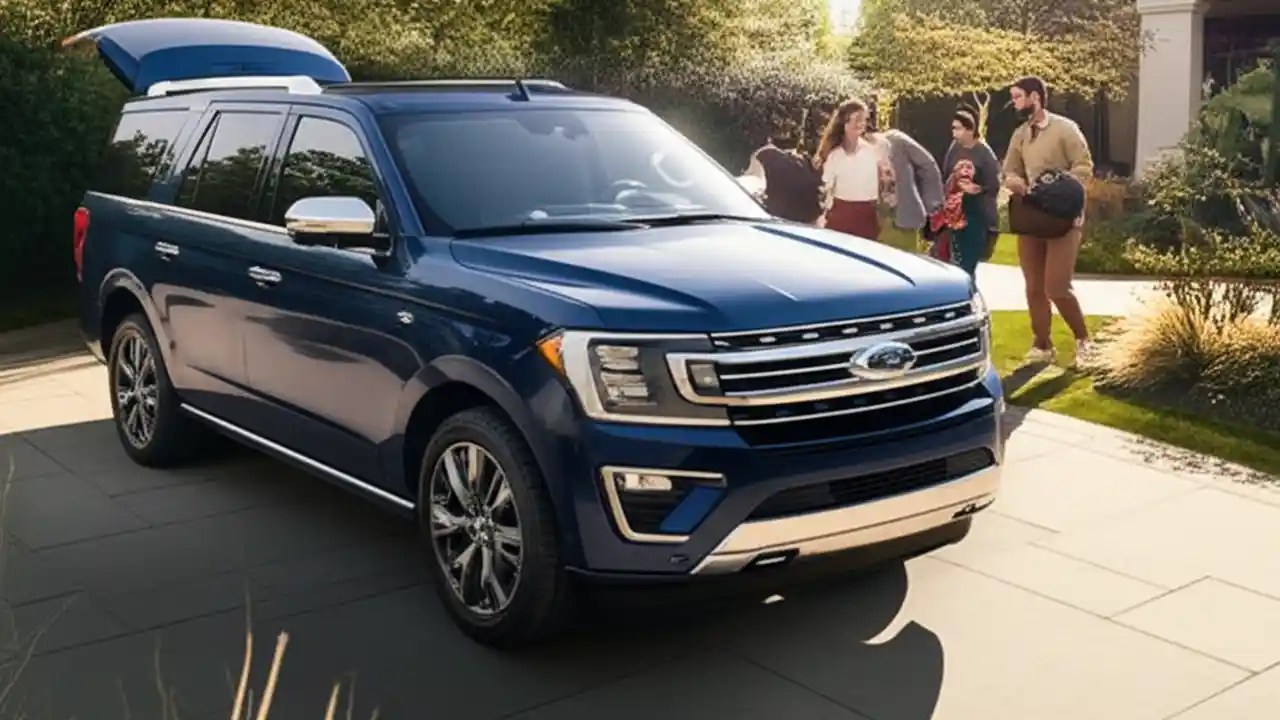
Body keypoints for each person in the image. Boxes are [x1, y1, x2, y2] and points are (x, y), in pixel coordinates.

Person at [1002, 75, 1095, 364]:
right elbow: (1010, 169)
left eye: (1018, 97)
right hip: (1031, 216)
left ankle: (1084, 341)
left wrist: (1059, 188)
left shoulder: (1065, 129)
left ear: (1035, 97)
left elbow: (1084, 167)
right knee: (1034, 287)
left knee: (1057, 286)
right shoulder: (1019, 134)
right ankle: (1043, 345)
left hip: (1063, 218)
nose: (1015, 102)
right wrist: (1015, 182)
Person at [935, 105, 1001, 277]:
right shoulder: (954, 148)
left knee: (966, 266)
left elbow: (994, 185)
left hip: (975, 215)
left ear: (970, 129)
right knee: (950, 264)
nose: (953, 133)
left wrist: (977, 190)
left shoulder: (984, 154)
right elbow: (947, 173)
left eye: (957, 128)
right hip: (953, 214)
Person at [815, 97, 891, 239]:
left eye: (864, 119)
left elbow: (885, 181)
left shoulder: (874, 150)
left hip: (867, 215)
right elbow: (826, 189)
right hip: (840, 216)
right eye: (857, 119)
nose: (861, 124)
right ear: (845, 121)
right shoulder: (834, 155)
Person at [741, 136, 825, 225]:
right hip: (807, 220)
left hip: (780, 220)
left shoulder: (763, 157)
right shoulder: (799, 162)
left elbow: (750, 184)